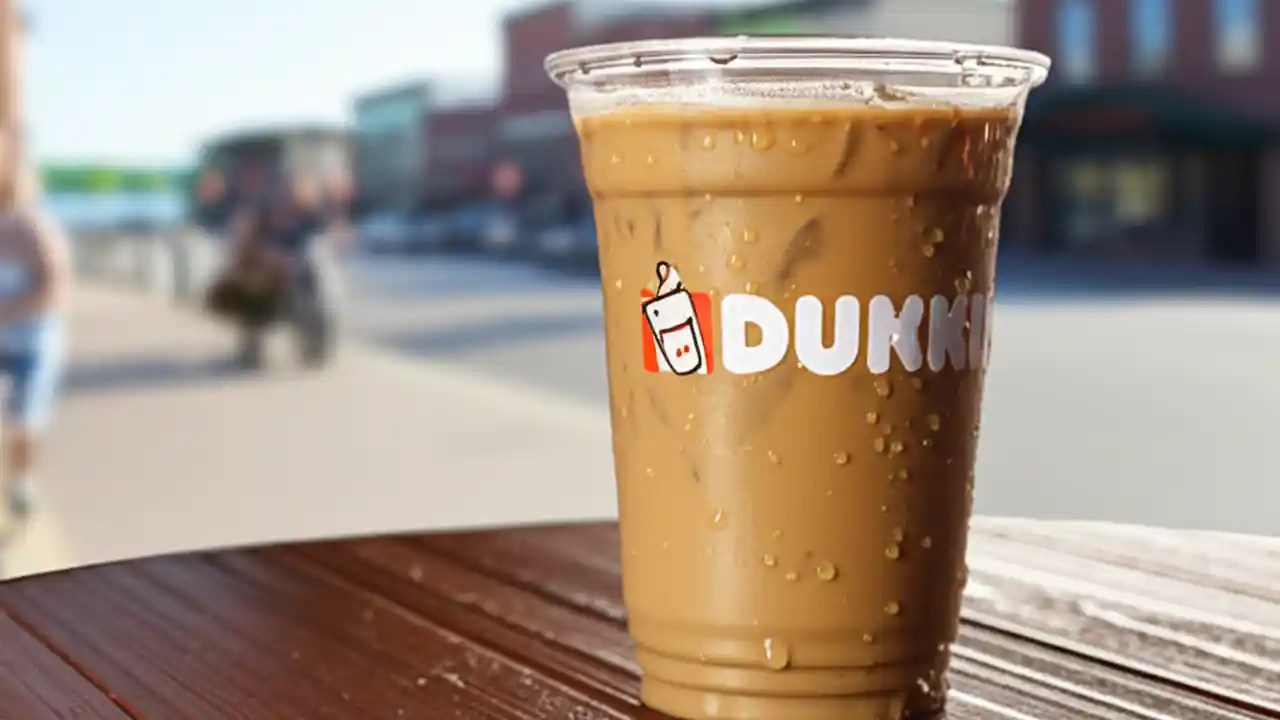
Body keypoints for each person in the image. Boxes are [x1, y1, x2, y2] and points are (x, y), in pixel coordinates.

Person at [0, 159, 68, 529]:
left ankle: (21, 482)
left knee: (24, 419)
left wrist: (7, 312)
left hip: (30, 341)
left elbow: (54, 286)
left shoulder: (32, 225)